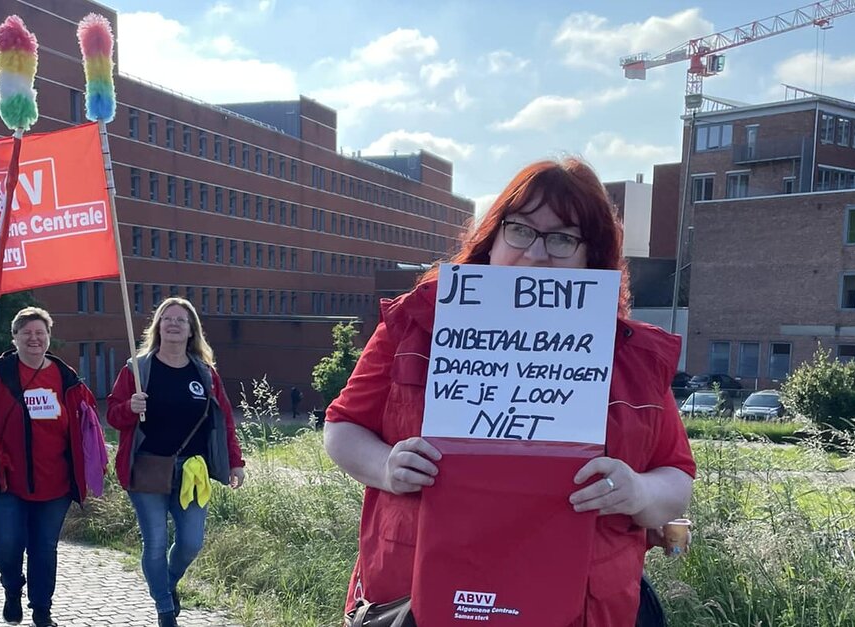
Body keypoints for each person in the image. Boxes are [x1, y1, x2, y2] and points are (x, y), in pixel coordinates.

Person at [322, 159, 696, 626]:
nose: (537, 255)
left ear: (590, 255)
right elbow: (341, 426)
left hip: (582, 605)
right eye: (521, 230)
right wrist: (384, 466)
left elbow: (675, 477)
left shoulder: (629, 356)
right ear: (493, 237)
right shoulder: (417, 325)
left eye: (562, 238)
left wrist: (638, 490)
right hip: (426, 595)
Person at [107, 297, 246, 627]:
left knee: (191, 542)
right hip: (147, 468)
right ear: (157, 327)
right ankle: (165, 609)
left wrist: (235, 461)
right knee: (154, 541)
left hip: (191, 472)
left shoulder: (205, 373)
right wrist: (130, 407)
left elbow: (223, 418)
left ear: (191, 330)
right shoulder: (137, 369)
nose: (172, 324)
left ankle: (167, 583)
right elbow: (113, 415)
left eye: (180, 320)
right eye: (166, 319)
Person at [0, 307, 98, 627]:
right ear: (15, 338)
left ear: (49, 337)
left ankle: (42, 611)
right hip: (5, 481)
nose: (34, 338)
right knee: (7, 544)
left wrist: (92, 472)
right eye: (27, 333)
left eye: (40, 333)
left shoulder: (66, 378)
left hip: (55, 482)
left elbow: (88, 422)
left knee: (44, 548)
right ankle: (12, 587)